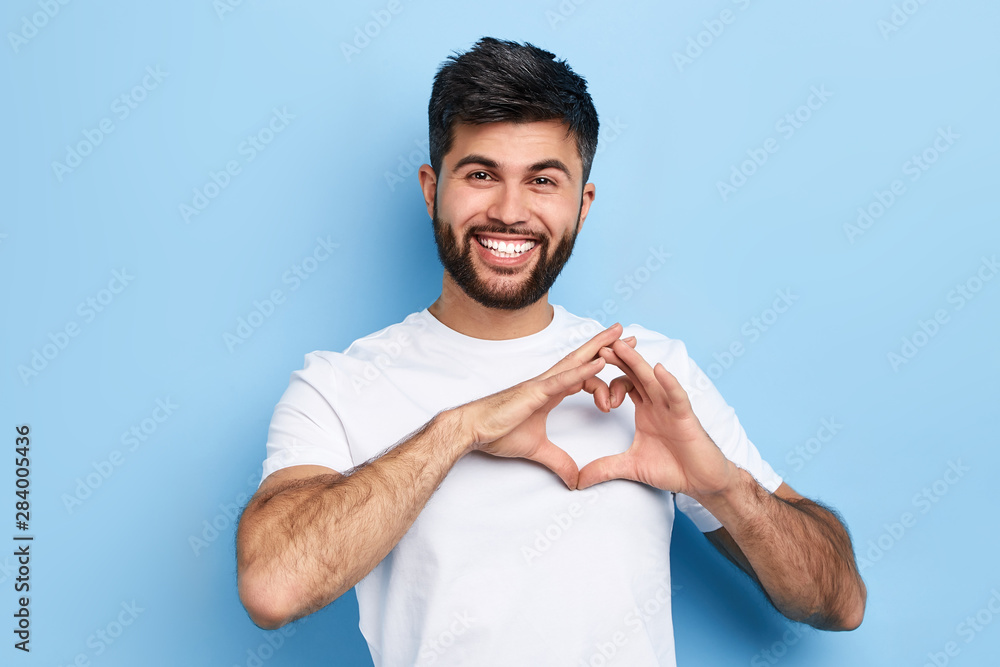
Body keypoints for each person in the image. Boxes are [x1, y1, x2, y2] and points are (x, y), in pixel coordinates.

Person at [236, 37, 867, 666]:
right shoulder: (339, 386)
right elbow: (272, 587)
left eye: (543, 180)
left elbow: (839, 603)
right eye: (481, 174)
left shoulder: (649, 372)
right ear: (432, 189)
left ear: (582, 205)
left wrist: (724, 487)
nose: (509, 212)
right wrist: (462, 428)